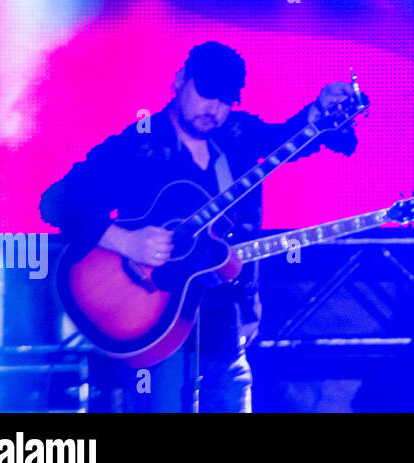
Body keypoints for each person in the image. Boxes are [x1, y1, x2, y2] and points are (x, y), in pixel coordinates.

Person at [39, 41, 359, 412]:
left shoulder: (236, 135)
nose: (215, 109)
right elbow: (57, 201)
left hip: (222, 326)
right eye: (206, 92)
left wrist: (320, 111)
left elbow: (285, 139)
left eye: (226, 100)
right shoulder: (137, 145)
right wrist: (126, 242)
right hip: (153, 325)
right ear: (179, 81)